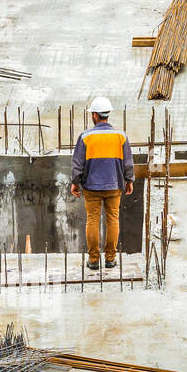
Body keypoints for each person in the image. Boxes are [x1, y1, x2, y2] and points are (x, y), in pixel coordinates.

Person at [70, 96, 134, 271]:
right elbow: (128, 162)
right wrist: (129, 180)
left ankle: (93, 260)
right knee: (113, 220)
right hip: (114, 185)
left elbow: (78, 163)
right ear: (107, 114)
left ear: (95, 116)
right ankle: (110, 259)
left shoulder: (85, 137)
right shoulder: (121, 136)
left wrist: (75, 182)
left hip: (91, 187)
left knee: (92, 220)